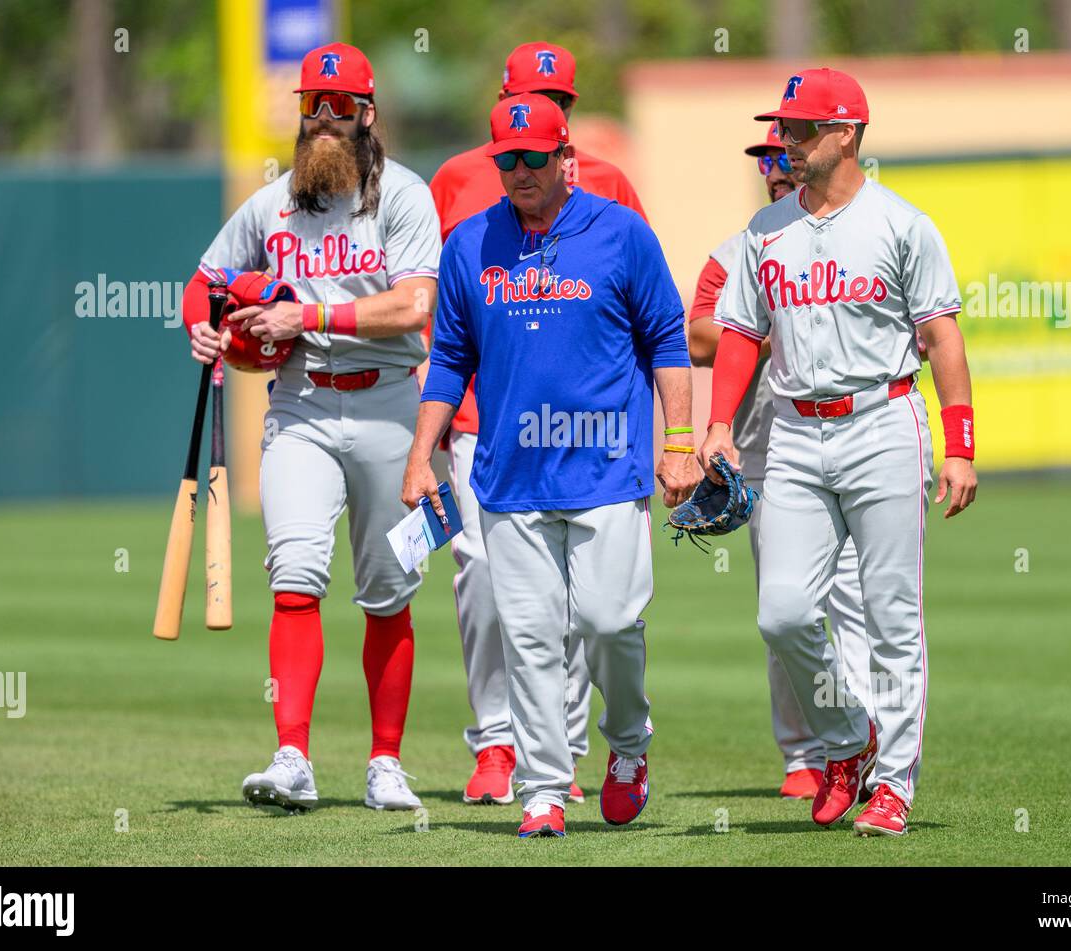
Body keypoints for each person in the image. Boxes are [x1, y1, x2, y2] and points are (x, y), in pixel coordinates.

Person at [403, 94, 700, 837]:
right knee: (529, 635)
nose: (521, 170)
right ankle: (543, 786)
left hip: (605, 465)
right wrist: (419, 456)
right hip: (510, 475)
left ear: (567, 158)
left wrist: (680, 441)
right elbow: (447, 360)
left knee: (608, 622)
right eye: (508, 158)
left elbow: (668, 337)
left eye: (536, 156)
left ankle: (627, 746)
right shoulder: (471, 244)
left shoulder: (621, 232)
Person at [700, 68, 978, 837]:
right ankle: (845, 739)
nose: (784, 139)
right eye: (782, 127)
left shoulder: (900, 224)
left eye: (799, 127)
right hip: (791, 430)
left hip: (883, 421)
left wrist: (960, 445)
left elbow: (943, 336)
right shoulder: (766, 231)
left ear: (846, 133)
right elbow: (742, 336)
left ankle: (894, 784)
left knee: (891, 616)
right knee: (783, 612)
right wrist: (720, 423)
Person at [182, 42, 441, 814]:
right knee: (295, 574)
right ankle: (292, 755)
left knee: (388, 592)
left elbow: (415, 307)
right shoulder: (273, 203)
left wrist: (312, 313)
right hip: (297, 404)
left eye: (338, 107)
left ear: (367, 115)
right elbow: (206, 281)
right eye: (310, 107)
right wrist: (202, 328)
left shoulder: (402, 195)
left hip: (391, 403)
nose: (322, 121)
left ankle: (385, 764)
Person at [428, 42, 647, 806]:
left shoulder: (610, 182)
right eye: (533, 96)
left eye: (561, 99)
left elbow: (642, 317)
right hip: (480, 423)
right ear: (502, 100)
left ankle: (568, 747)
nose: (551, 112)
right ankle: (496, 741)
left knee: (588, 605)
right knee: (488, 583)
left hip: (589, 435)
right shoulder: (458, 180)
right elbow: (441, 309)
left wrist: (657, 437)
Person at [688, 125, 874, 801]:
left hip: (848, 442)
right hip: (766, 455)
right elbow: (700, 331)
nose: (772, 168)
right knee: (785, 611)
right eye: (764, 159)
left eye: (780, 155)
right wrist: (763, 329)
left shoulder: (855, 234)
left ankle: (862, 739)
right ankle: (802, 753)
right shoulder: (740, 247)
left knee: (854, 604)